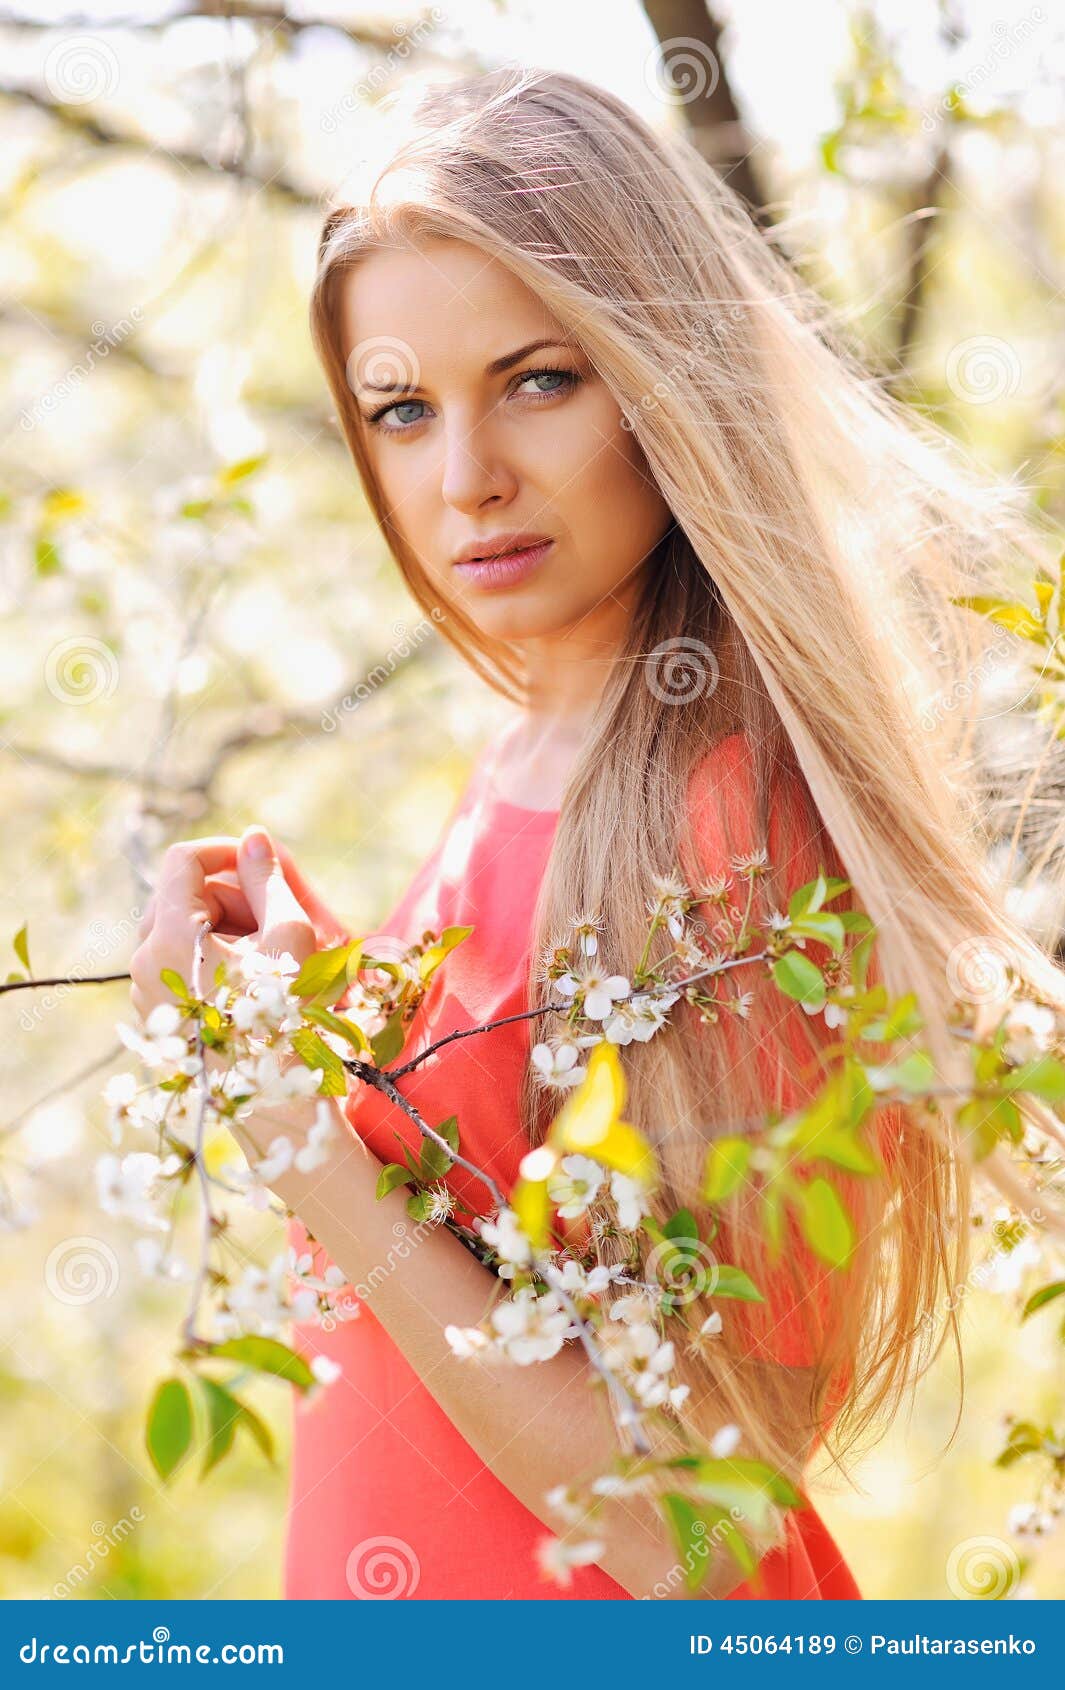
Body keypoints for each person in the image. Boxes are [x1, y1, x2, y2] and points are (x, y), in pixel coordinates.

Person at [129, 65, 1065, 1600]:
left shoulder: (724, 825)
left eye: (540, 378)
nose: (464, 475)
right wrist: (325, 1009)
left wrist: (295, 1134)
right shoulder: (528, 757)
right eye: (403, 408)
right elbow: (487, 1252)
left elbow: (683, 1518)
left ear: (661, 378)